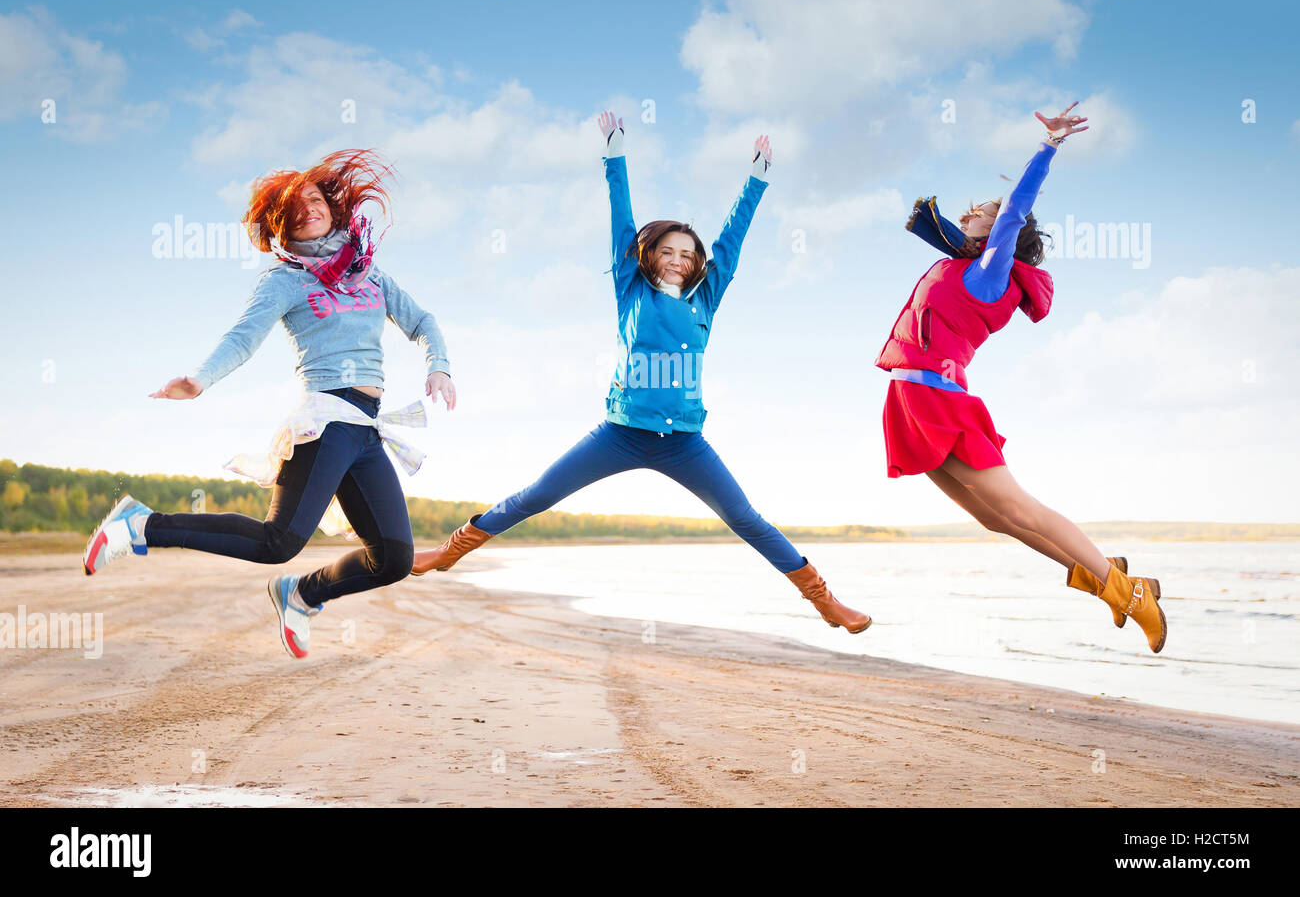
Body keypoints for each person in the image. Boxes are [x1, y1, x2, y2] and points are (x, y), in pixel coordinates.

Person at [410, 112, 870, 634]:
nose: (677, 260)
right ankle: (448, 552)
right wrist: (614, 155)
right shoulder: (631, 289)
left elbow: (732, 241)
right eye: (667, 252)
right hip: (621, 434)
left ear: (697, 264)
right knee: (538, 495)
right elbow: (621, 218)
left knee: (745, 519)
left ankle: (826, 602)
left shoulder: (707, 298)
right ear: (649, 257)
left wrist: (757, 180)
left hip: (684, 442)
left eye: (687, 255)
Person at [81, 149, 456, 658]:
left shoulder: (371, 275)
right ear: (282, 226)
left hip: (366, 430)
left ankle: (302, 595)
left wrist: (439, 365)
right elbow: (243, 337)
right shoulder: (285, 280)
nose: (308, 208)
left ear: (332, 204)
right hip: (325, 421)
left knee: (392, 558)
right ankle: (142, 525)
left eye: (314, 198)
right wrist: (198, 380)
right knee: (277, 541)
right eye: (294, 207)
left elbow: (423, 322)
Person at [875, 103, 1166, 652]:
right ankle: (1118, 583)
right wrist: (954, 225)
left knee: (1018, 509)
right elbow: (956, 232)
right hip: (907, 397)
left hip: (939, 401)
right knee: (994, 520)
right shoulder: (960, 265)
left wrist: (1048, 147)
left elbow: (1014, 212)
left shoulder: (991, 276)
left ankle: (1127, 592)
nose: (970, 216)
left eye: (980, 213)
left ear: (1001, 232)